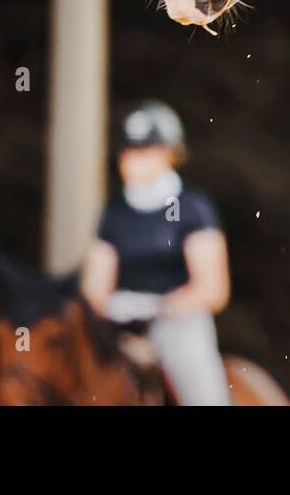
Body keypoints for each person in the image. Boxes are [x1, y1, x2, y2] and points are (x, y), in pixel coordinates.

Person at [79, 101, 233, 406]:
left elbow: (213, 289)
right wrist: (115, 306)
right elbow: (96, 284)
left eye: (144, 151)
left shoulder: (193, 207)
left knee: (203, 396)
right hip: (121, 329)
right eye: (129, 151)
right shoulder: (115, 212)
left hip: (179, 325)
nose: (133, 160)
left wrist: (160, 307)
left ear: (169, 154)